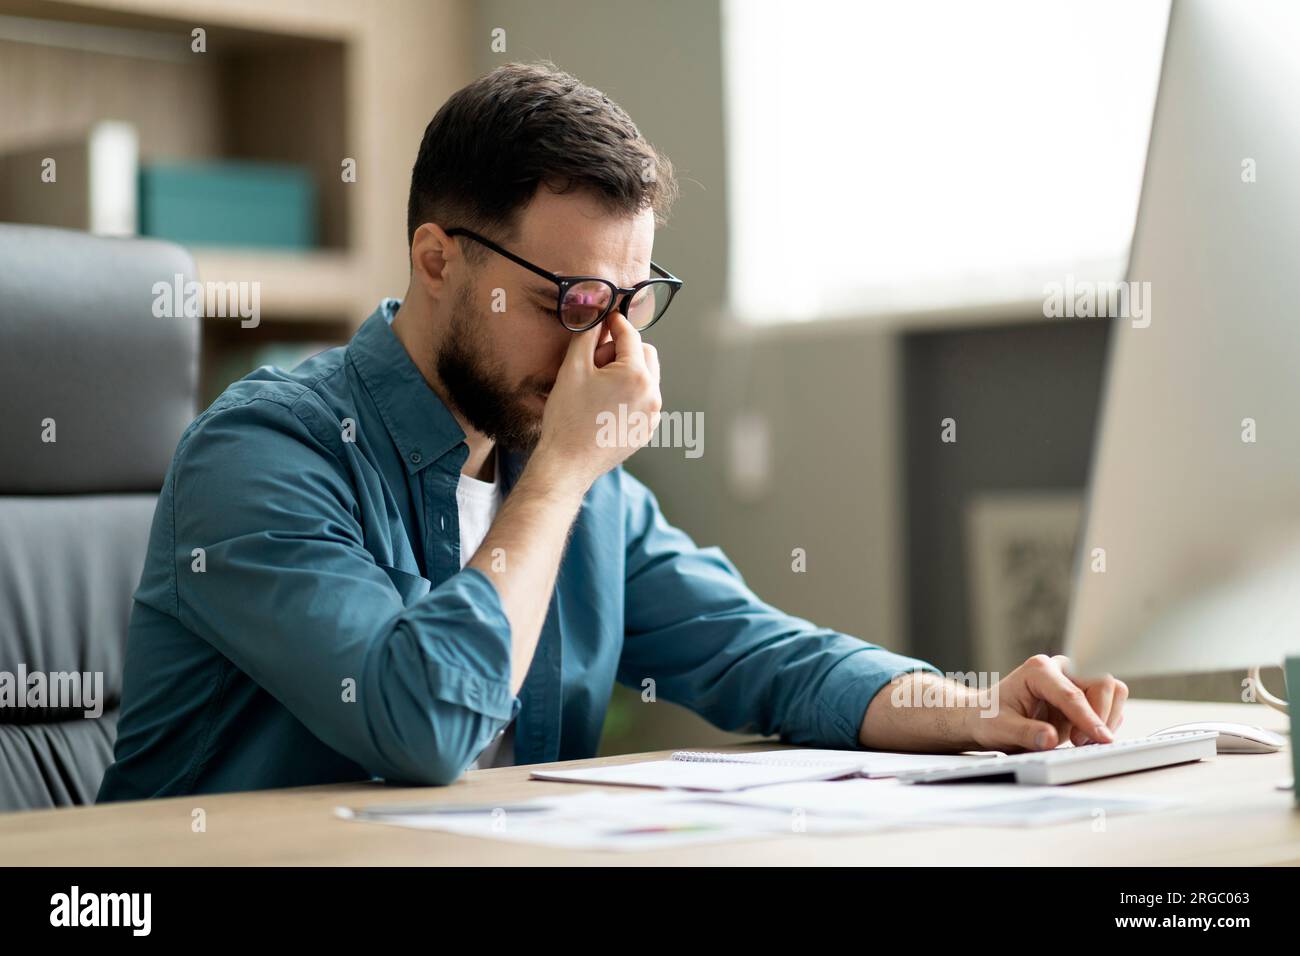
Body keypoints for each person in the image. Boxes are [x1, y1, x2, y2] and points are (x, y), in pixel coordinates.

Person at [98, 62, 1125, 801]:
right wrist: (561, 477)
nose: (608, 346)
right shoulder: (262, 456)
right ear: (436, 259)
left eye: (631, 300)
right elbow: (419, 720)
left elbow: (768, 656)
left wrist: (975, 706)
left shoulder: (571, 473)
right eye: (571, 299)